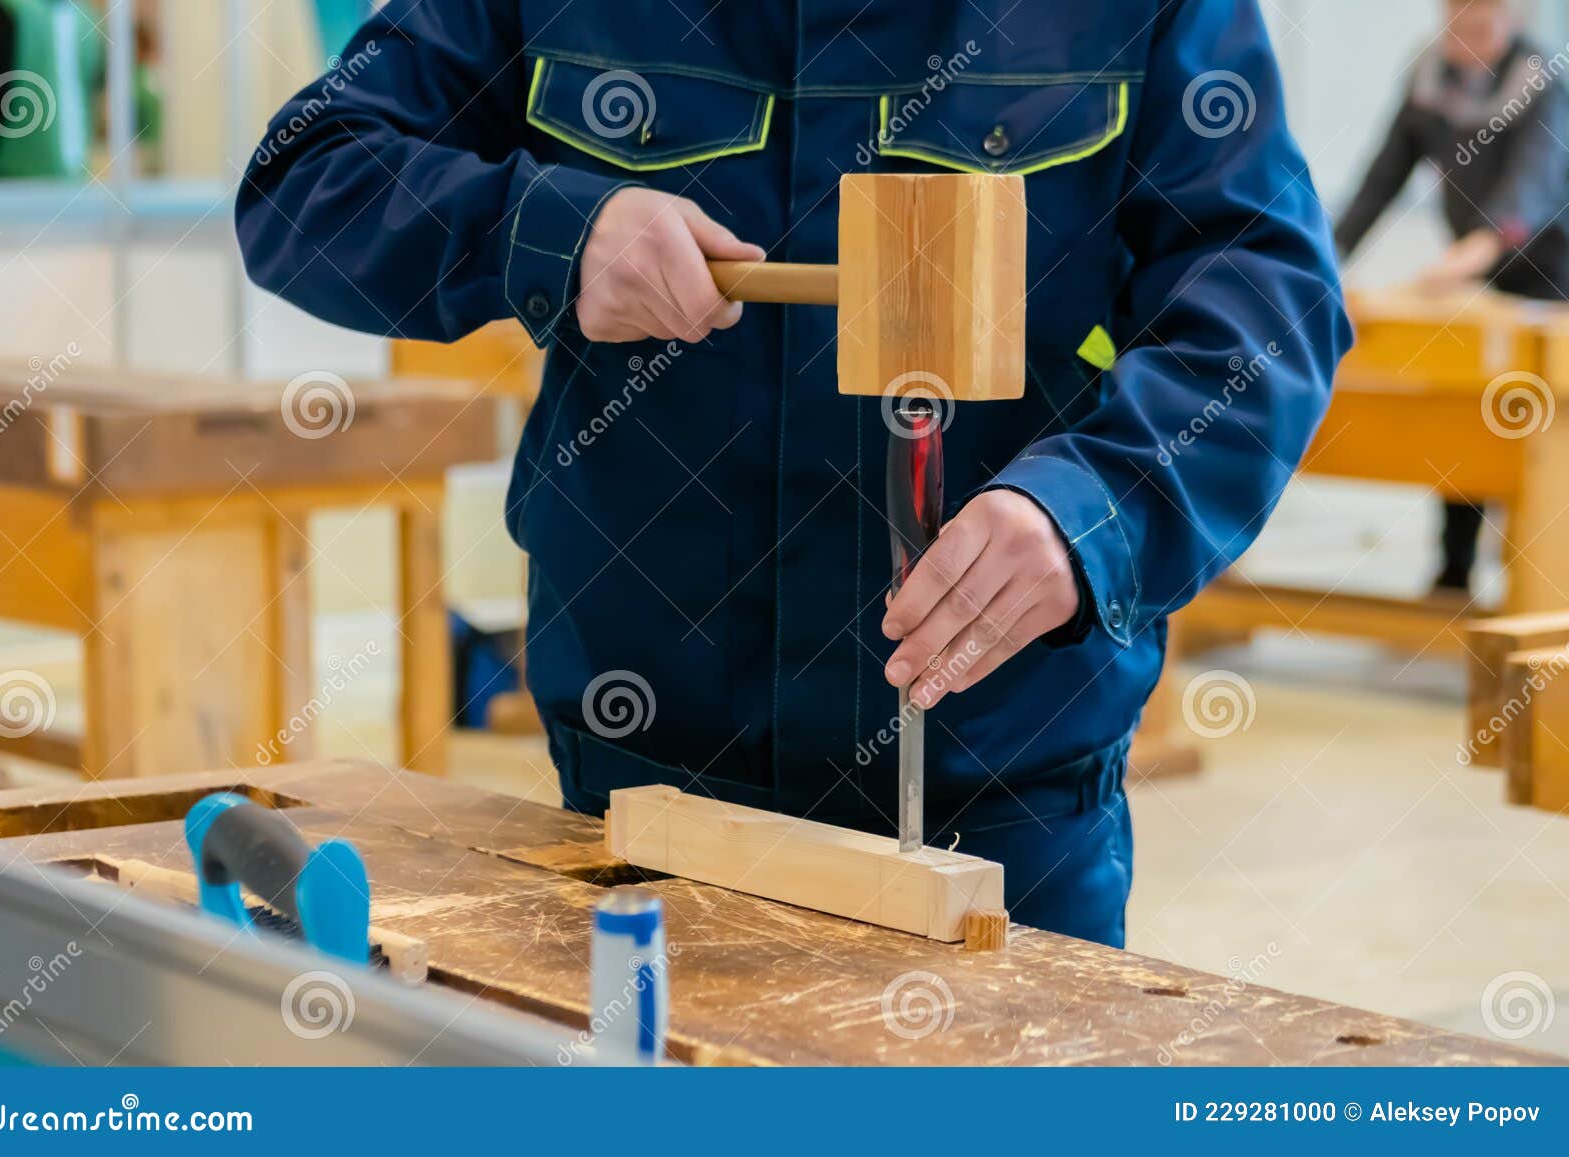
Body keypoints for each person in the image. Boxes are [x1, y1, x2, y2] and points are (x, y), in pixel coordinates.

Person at [236, 0, 1350, 948]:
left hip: (999, 796)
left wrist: (1089, 513)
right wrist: (548, 234)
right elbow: (306, 174)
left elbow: (1267, 294)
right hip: (640, 782)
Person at [1336, 0, 1569, 596]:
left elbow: (1534, 184)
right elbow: (1379, 181)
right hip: (1474, 275)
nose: (1469, 41)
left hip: (1551, 277)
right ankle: (1454, 571)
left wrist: (1473, 254)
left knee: (1542, 426)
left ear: (1512, 23)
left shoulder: (1543, 81)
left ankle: (1543, 583)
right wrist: (1325, 263)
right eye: (1458, 27)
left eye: (1483, 29)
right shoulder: (1428, 80)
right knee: (1467, 414)